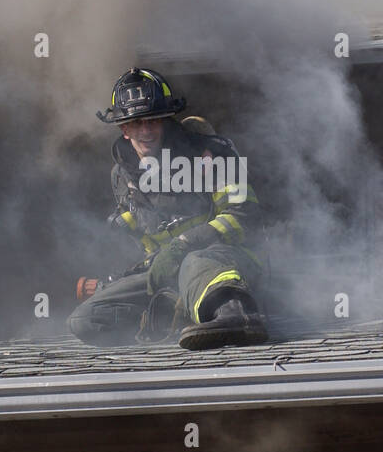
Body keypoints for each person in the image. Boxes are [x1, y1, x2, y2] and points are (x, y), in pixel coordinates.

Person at [67, 67, 269, 350]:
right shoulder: (121, 176)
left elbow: (244, 217)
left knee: (194, 260)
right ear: (124, 128)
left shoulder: (207, 155)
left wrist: (184, 244)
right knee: (86, 319)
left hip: (230, 263)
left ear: (165, 120)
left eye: (153, 121)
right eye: (137, 123)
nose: (146, 131)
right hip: (171, 274)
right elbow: (150, 242)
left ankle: (237, 316)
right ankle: (175, 315)